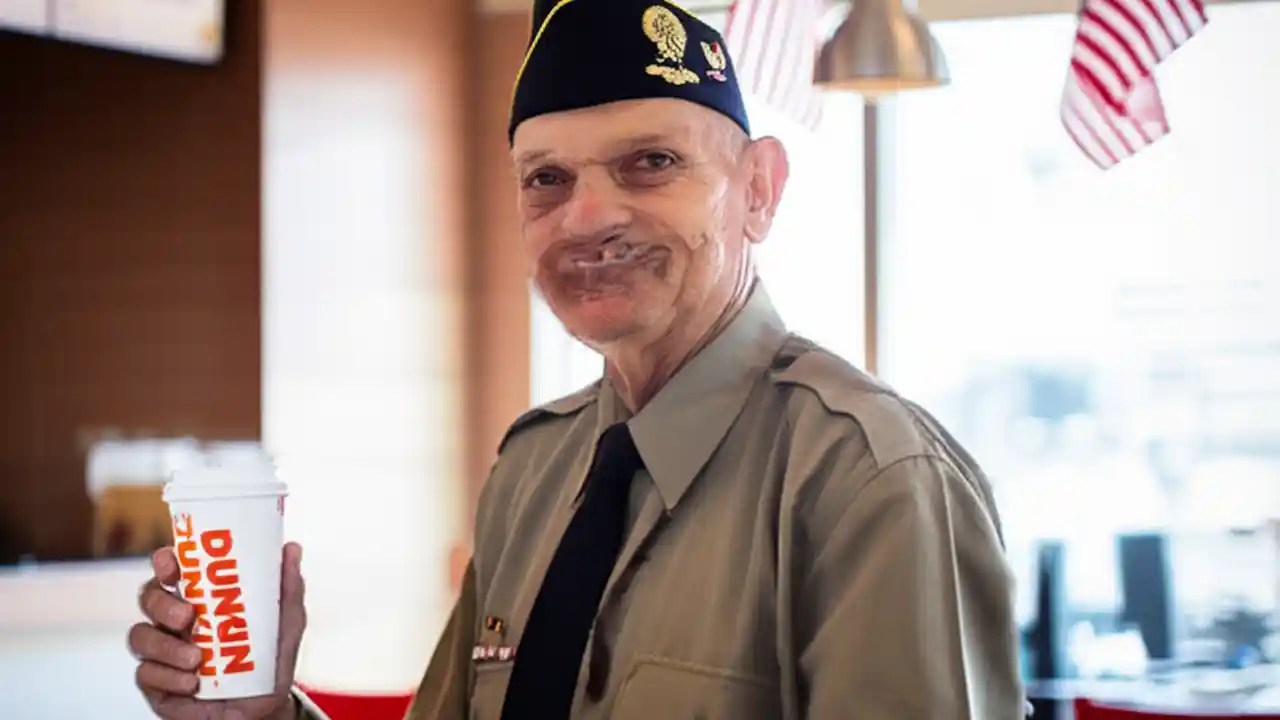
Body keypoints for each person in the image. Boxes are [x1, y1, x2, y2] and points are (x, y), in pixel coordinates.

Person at [129, 0, 1025, 717]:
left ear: (758, 190)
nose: (587, 218)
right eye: (546, 180)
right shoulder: (533, 469)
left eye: (651, 162)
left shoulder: (871, 482)